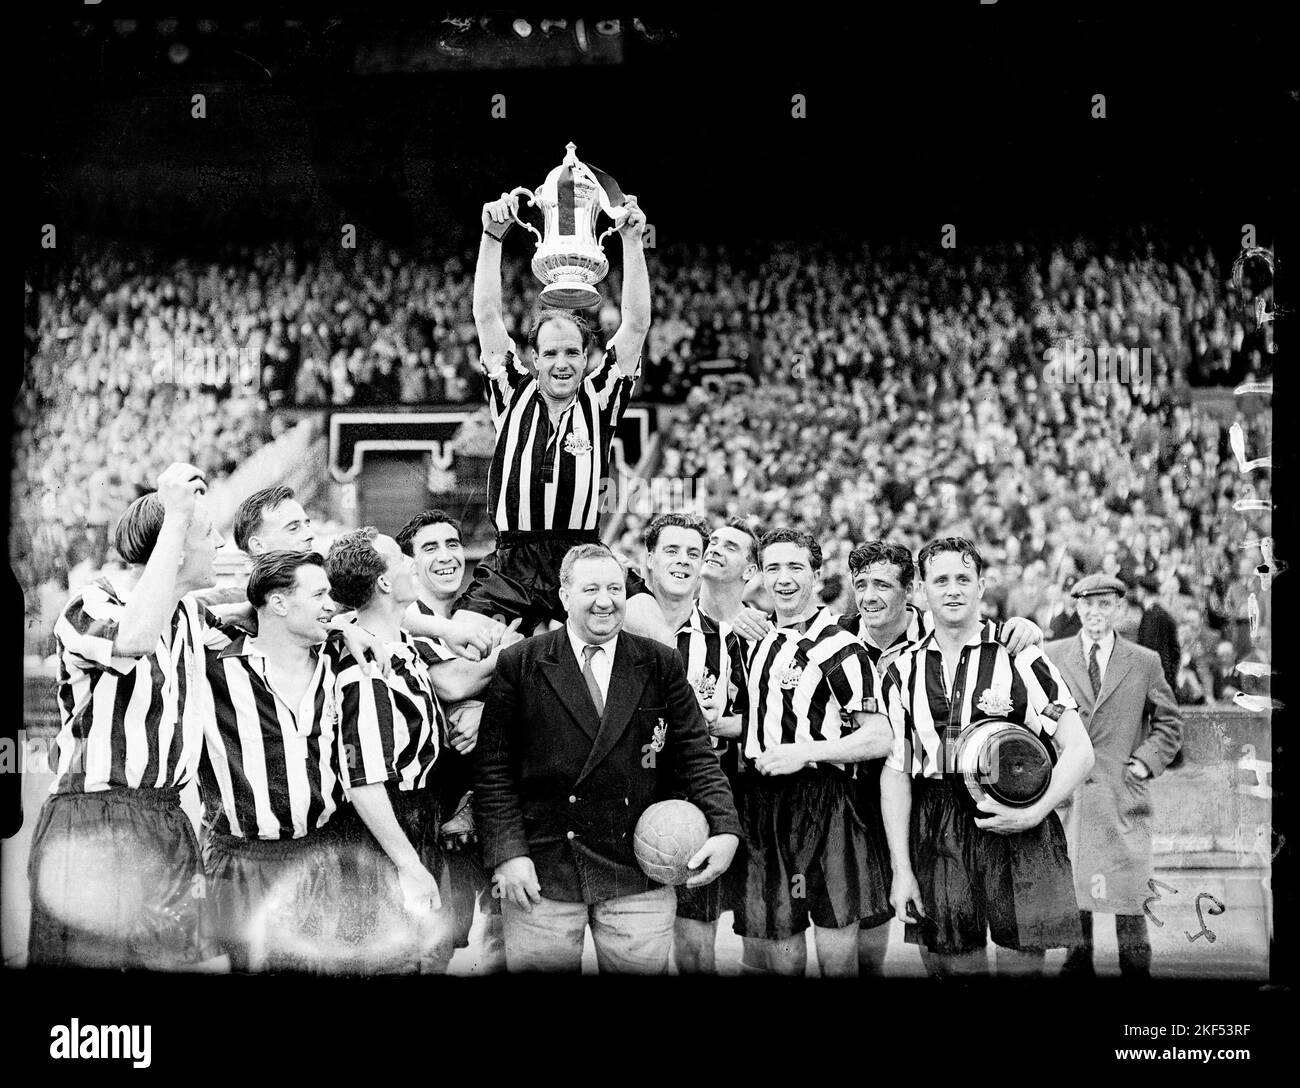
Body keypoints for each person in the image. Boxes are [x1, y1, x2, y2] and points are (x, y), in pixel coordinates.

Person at [473, 543, 741, 973]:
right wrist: (508, 854)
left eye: (615, 588)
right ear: (564, 597)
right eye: (591, 588)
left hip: (638, 875)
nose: (605, 600)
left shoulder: (660, 662)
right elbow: (493, 771)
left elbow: (697, 756)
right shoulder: (520, 663)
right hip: (543, 873)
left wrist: (725, 828)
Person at [28, 462, 229, 971]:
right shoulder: (92, 603)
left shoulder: (191, 614)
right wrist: (178, 514)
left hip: (165, 816)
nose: (223, 547)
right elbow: (135, 637)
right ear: (176, 544)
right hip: (96, 817)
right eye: (211, 535)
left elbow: (275, 607)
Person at [452, 189, 672, 644]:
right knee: (459, 652)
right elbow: (486, 314)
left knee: (660, 639)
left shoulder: (600, 399)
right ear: (533, 357)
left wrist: (632, 241)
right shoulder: (512, 391)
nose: (562, 363)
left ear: (587, 356)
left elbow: (635, 325)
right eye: (550, 353)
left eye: (572, 352)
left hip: (583, 554)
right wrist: (492, 236)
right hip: (512, 562)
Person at [880, 537, 1094, 977]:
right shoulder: (902, 669)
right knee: (953, 969)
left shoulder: (1020, 654)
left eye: (963, 578)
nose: (953, 589)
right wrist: (902, 869)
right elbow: (897, 772)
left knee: (1023, 971)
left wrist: (1036, 811)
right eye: (940, 580)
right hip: (938, 822)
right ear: (921, 591)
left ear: (982, 585)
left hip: (1018, 818)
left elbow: (1080, 751)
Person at [840, 539, 1044, 974]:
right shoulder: (837, 637)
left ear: (909, 591)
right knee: (902, 941)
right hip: (877, 801)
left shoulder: (992, 644)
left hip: (962, 799)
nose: (872, 596)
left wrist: (1026, 632)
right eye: (862, 585)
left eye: (884, 584)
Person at [732, 527, 894, 977]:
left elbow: (879, 735)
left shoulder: (840, 647)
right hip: (763, 802)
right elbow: (764, 721)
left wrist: (806, 751)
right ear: (760, 575)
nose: (783, 579)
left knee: (835, 941)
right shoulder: (760, 642)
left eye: (796, 568)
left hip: (823, 801)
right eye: (773, 568)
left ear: (817, 574)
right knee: (780, 946)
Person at [198, 550, 351, 972]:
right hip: (241, 861)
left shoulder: (338, 664)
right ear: (280, 603)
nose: (330, 606)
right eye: (319, 594)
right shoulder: (212, 667)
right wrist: (245, 606)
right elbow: (175, 614)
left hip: (318, 855)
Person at [325, 528, 466, 974]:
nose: (411, 564)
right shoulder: (365, 671)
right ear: (384, 583)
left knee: (426, 955)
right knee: (392, 959)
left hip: (418, 819)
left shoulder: (397, 644)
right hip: (387, 832)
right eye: (401, 559)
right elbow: (363, 782)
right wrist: (409, 864)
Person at [1044, 574, 1183, 979]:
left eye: (1105, 605)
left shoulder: (1143, 661)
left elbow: (1169, 723)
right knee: (1075, 909)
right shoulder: (1052, 656)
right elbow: (1035, 717)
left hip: (1122, 797)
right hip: (1073, 798)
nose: (1095, 613)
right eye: (1088, 605)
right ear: (1077, 609)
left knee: (1130, 906)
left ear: (1119, 610)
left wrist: (1144, 762)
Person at [396, 509, 512, 970]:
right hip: (434, 814)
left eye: (452, 544)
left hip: (495, 807)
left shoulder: (481, 612)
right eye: (430, 547)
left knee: (502, 940)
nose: (446, 556)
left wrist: (490, 711)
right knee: (432, 949)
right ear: (407, 566)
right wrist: (507, 655)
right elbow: (453, 684)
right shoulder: (405, 623)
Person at [641, 512, 748, 973]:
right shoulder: (615, 623)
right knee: (632, 949)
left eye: (692, 553)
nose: (683, 562)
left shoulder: (730, 641)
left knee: (694, 948)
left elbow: (754, 719)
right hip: (630, 801)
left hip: (693, 808)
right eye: (671, 551)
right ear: (647, 562)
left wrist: (715, 723)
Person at [229, 485, 491, 661]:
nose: (308, 533)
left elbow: (383, 612)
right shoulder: (230, 605)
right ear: (258, 545)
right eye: (293, 528)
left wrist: (448, 630)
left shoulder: (327, 582)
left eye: (307, 524)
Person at [1135, 573, 1181, 694]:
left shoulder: (1152, 617)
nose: (1136, 593)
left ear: (1143, 592)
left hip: (1155, 683)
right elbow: (1175, 652)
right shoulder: (1160, 614)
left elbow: (1151, 650)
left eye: (1138, 590)